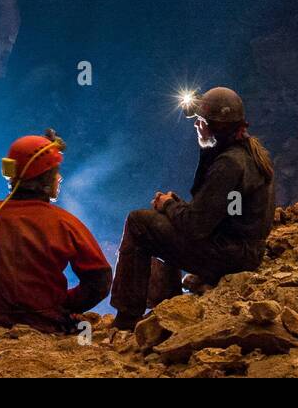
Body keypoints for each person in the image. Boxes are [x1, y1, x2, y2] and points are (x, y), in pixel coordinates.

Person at [110, 87, 275, 330]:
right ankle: (167, 303)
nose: (197, 126)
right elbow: (213, 211)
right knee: (166, 217)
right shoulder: (248, 153)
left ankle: (126, 319)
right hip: (243, 249)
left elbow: (195, 226)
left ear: (213, 126)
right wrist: (175, 206)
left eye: (200, 121)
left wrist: (168, 204)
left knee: (139, 222)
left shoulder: (228, 164)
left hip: (232, 255)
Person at [0, 129, 111, 337]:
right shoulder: (64, 223)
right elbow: (100, 280)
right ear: (46, 180)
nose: (60, 178)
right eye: (56, 172)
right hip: (47, 320)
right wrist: (66, 304)